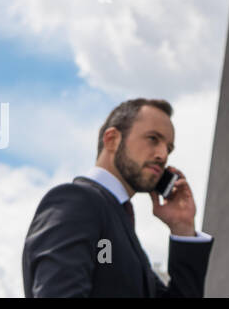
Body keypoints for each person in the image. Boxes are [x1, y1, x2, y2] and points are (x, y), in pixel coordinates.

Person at [22, 98, 213, 297]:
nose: (163, 155)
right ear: (112, 139)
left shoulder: (122, 229)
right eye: (153, 139)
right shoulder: (75, 200)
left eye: (169, 149)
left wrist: (183, 229)